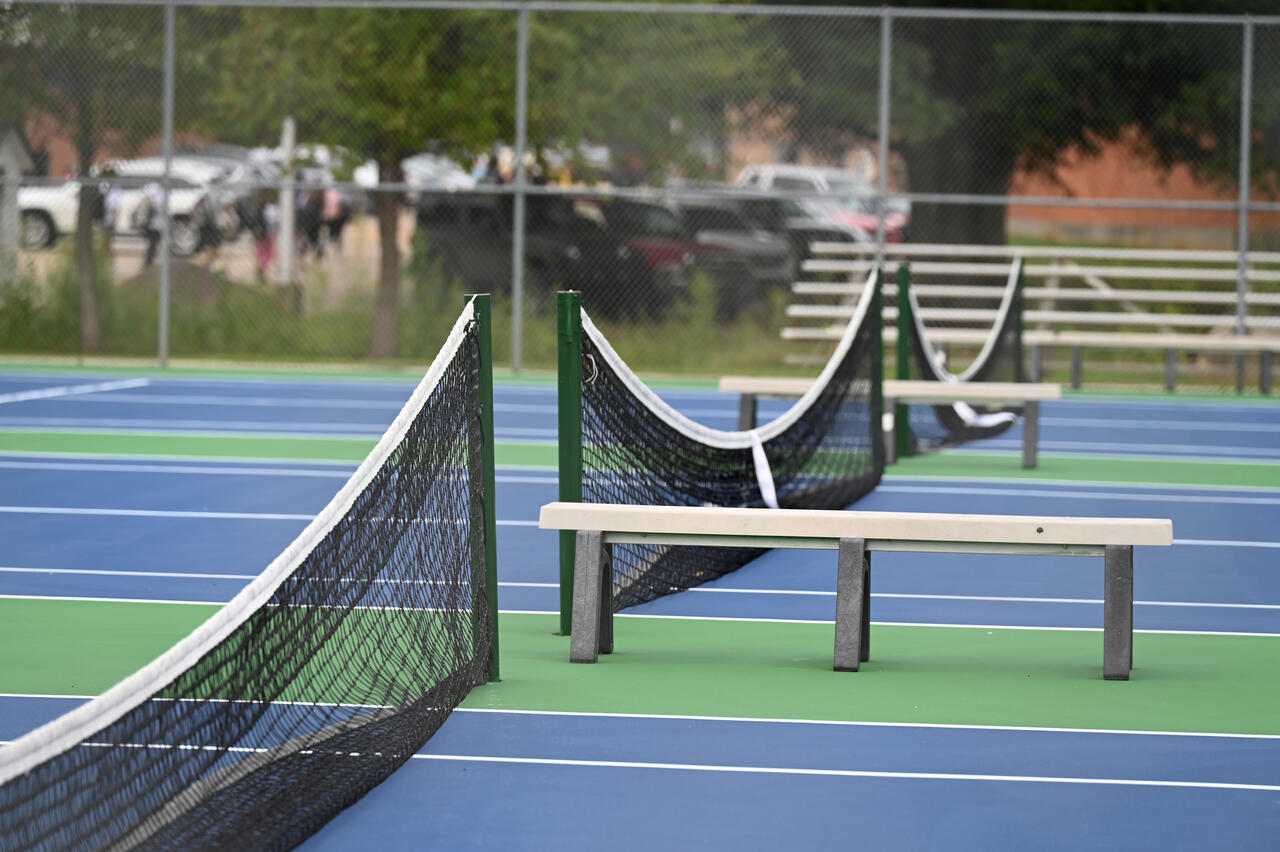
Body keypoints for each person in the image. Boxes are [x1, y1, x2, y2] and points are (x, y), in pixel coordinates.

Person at [134, 181, 164, 269]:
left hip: (151, 225)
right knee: (153, 245)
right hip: (155, 226)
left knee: (152, 245)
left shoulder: (150, 197)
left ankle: (149, 262)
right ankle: (148, 263)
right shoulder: (158, 197)